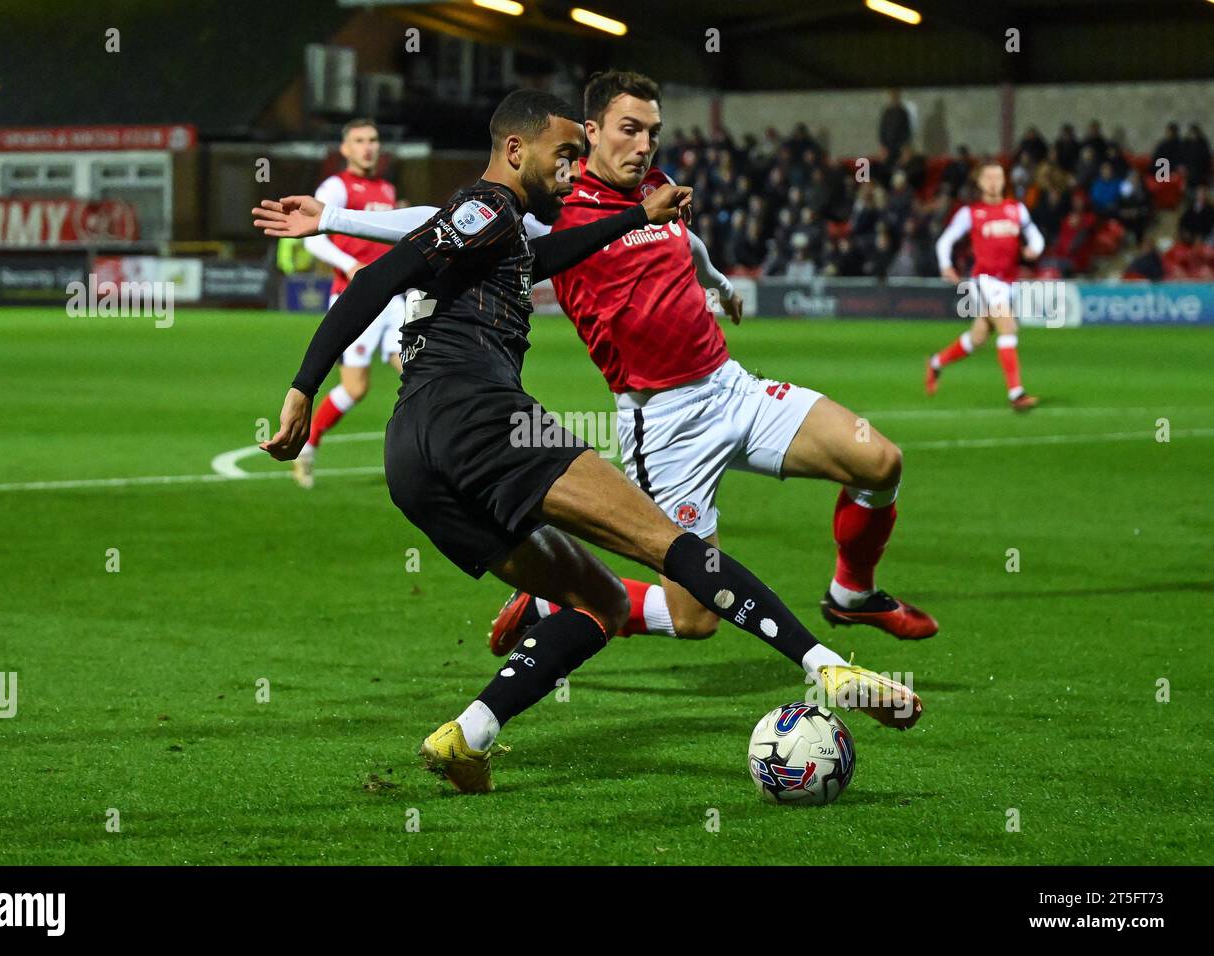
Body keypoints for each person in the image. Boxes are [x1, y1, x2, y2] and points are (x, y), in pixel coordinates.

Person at [256, 89, 922, 793]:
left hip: (411, 456)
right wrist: (303, 384)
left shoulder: (506, 236)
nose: (571, 170)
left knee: (602, 603)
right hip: (484, 418)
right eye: (564, 154)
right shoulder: (488, 205)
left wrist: (637, 217)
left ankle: (466, 735)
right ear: (517, 149)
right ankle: (826, 666)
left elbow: (540, 258)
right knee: (674, 549)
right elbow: (378, 274)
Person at [295, 119, 405, 489]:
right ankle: (308, 446)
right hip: (355, 299)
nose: (368, 147)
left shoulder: (386, 189)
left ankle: (431, 455)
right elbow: (312, 238)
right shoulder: (336, 187)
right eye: (359, 140)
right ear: (344, 149)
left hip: (394, 297)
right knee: (355, 388)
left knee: (418, 372)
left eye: (373, 140)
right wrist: (349, 264)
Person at [928, 162, 1044, 411]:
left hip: (1008, 282)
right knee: (1008, 326)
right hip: (985, 281)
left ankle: (936, 362)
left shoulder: (1016, 209)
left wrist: (1035, 248)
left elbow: (1034, 234)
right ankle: (1016, 394)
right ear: (980, 183)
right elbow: (945, 241)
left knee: (978, 338)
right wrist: (946, 265)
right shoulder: (971, 213)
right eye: (988, 177)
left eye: (998, 177)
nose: (993, 182)